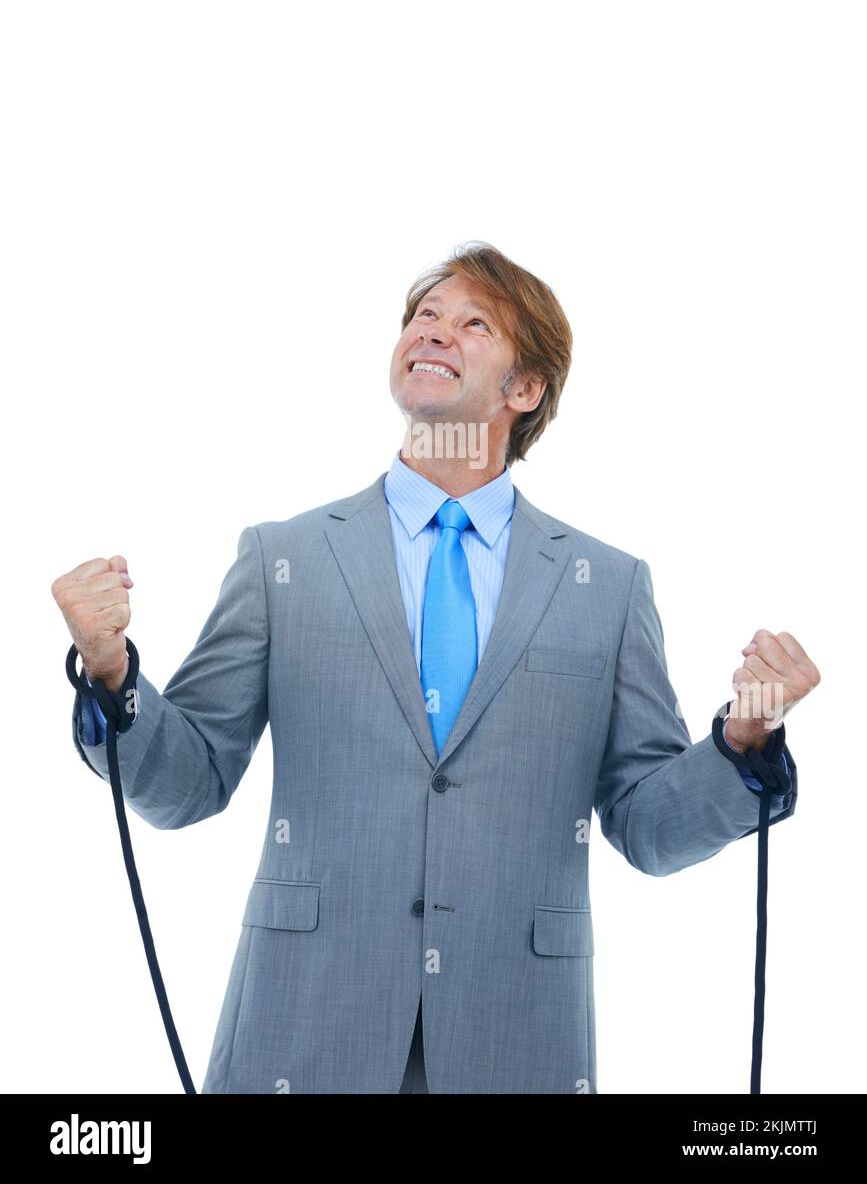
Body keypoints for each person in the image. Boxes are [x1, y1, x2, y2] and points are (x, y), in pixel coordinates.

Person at [51, 242, 820, 1094]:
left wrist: (740, 739)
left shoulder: (606, 587)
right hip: (302, 1036)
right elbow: (187, 783)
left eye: (472, 323)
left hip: (515, 1042)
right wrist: (112, 673)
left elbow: (647, 827)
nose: (434, 332)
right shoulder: (283, 559)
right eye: (423, 315)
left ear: (523, 391)